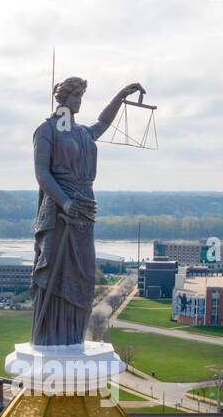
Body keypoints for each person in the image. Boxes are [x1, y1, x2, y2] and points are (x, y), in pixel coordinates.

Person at [30, 76, 144, 346]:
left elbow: (103, 124)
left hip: (84, 211)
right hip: (60, 212)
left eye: (82, 96)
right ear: (63, 98)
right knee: (58, 274)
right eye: (75, 96)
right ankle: (51, 335)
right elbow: (42, 173)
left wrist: (120, 96)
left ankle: (72, 336)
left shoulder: (82, 133)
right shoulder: (47, 130)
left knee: (82, 275)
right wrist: (65, 202)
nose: (79, 101)